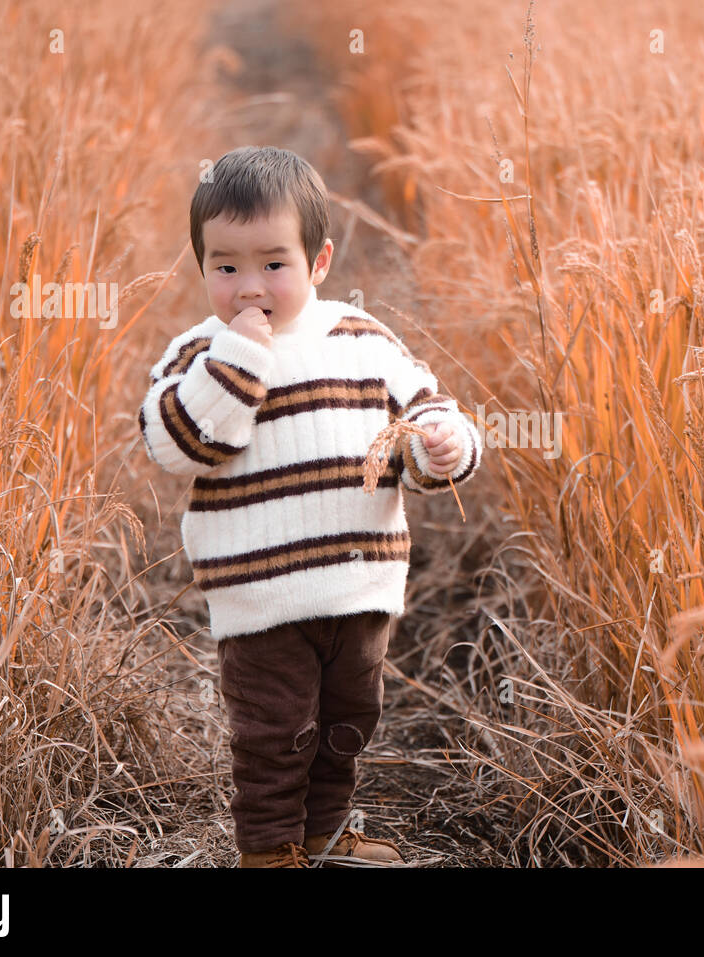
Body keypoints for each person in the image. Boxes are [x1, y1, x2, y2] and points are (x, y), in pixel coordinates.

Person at [138, 145, 482, 867]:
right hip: (259, 595)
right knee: (274, 728)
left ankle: (326, 830)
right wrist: (238, 361)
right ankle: (268, 848)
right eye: (225, 266)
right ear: (201, 266)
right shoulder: (199, 354)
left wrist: (442, 445)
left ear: (319, 263)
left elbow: (423, 414)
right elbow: (174, 441)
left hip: (359, 586)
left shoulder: (363, 342)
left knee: (348, 718)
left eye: (273, 263)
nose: (249, 287)